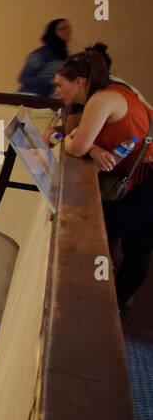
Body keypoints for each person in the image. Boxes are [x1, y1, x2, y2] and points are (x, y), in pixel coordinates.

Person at [55, 49, 153, 310]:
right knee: (137, 246)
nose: (56, 92)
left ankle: (97, 304)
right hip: (143, 176)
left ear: (79, 82)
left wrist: (85, 145)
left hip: (148, 181)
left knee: (100, 231)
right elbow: (84, 139)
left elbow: (74, 145)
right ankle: (117, 302)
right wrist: (94, 148)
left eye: (59, 85)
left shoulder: (101, 99)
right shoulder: (115, 90)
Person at [17, 19, 71, 96]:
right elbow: (23, 78)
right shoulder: (40, 55)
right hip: (31, 98)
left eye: (67, 28)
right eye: (62, 29)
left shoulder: (65, 54)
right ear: (53, 33)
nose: (66, 31)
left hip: (49, 98)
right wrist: (49, 81)